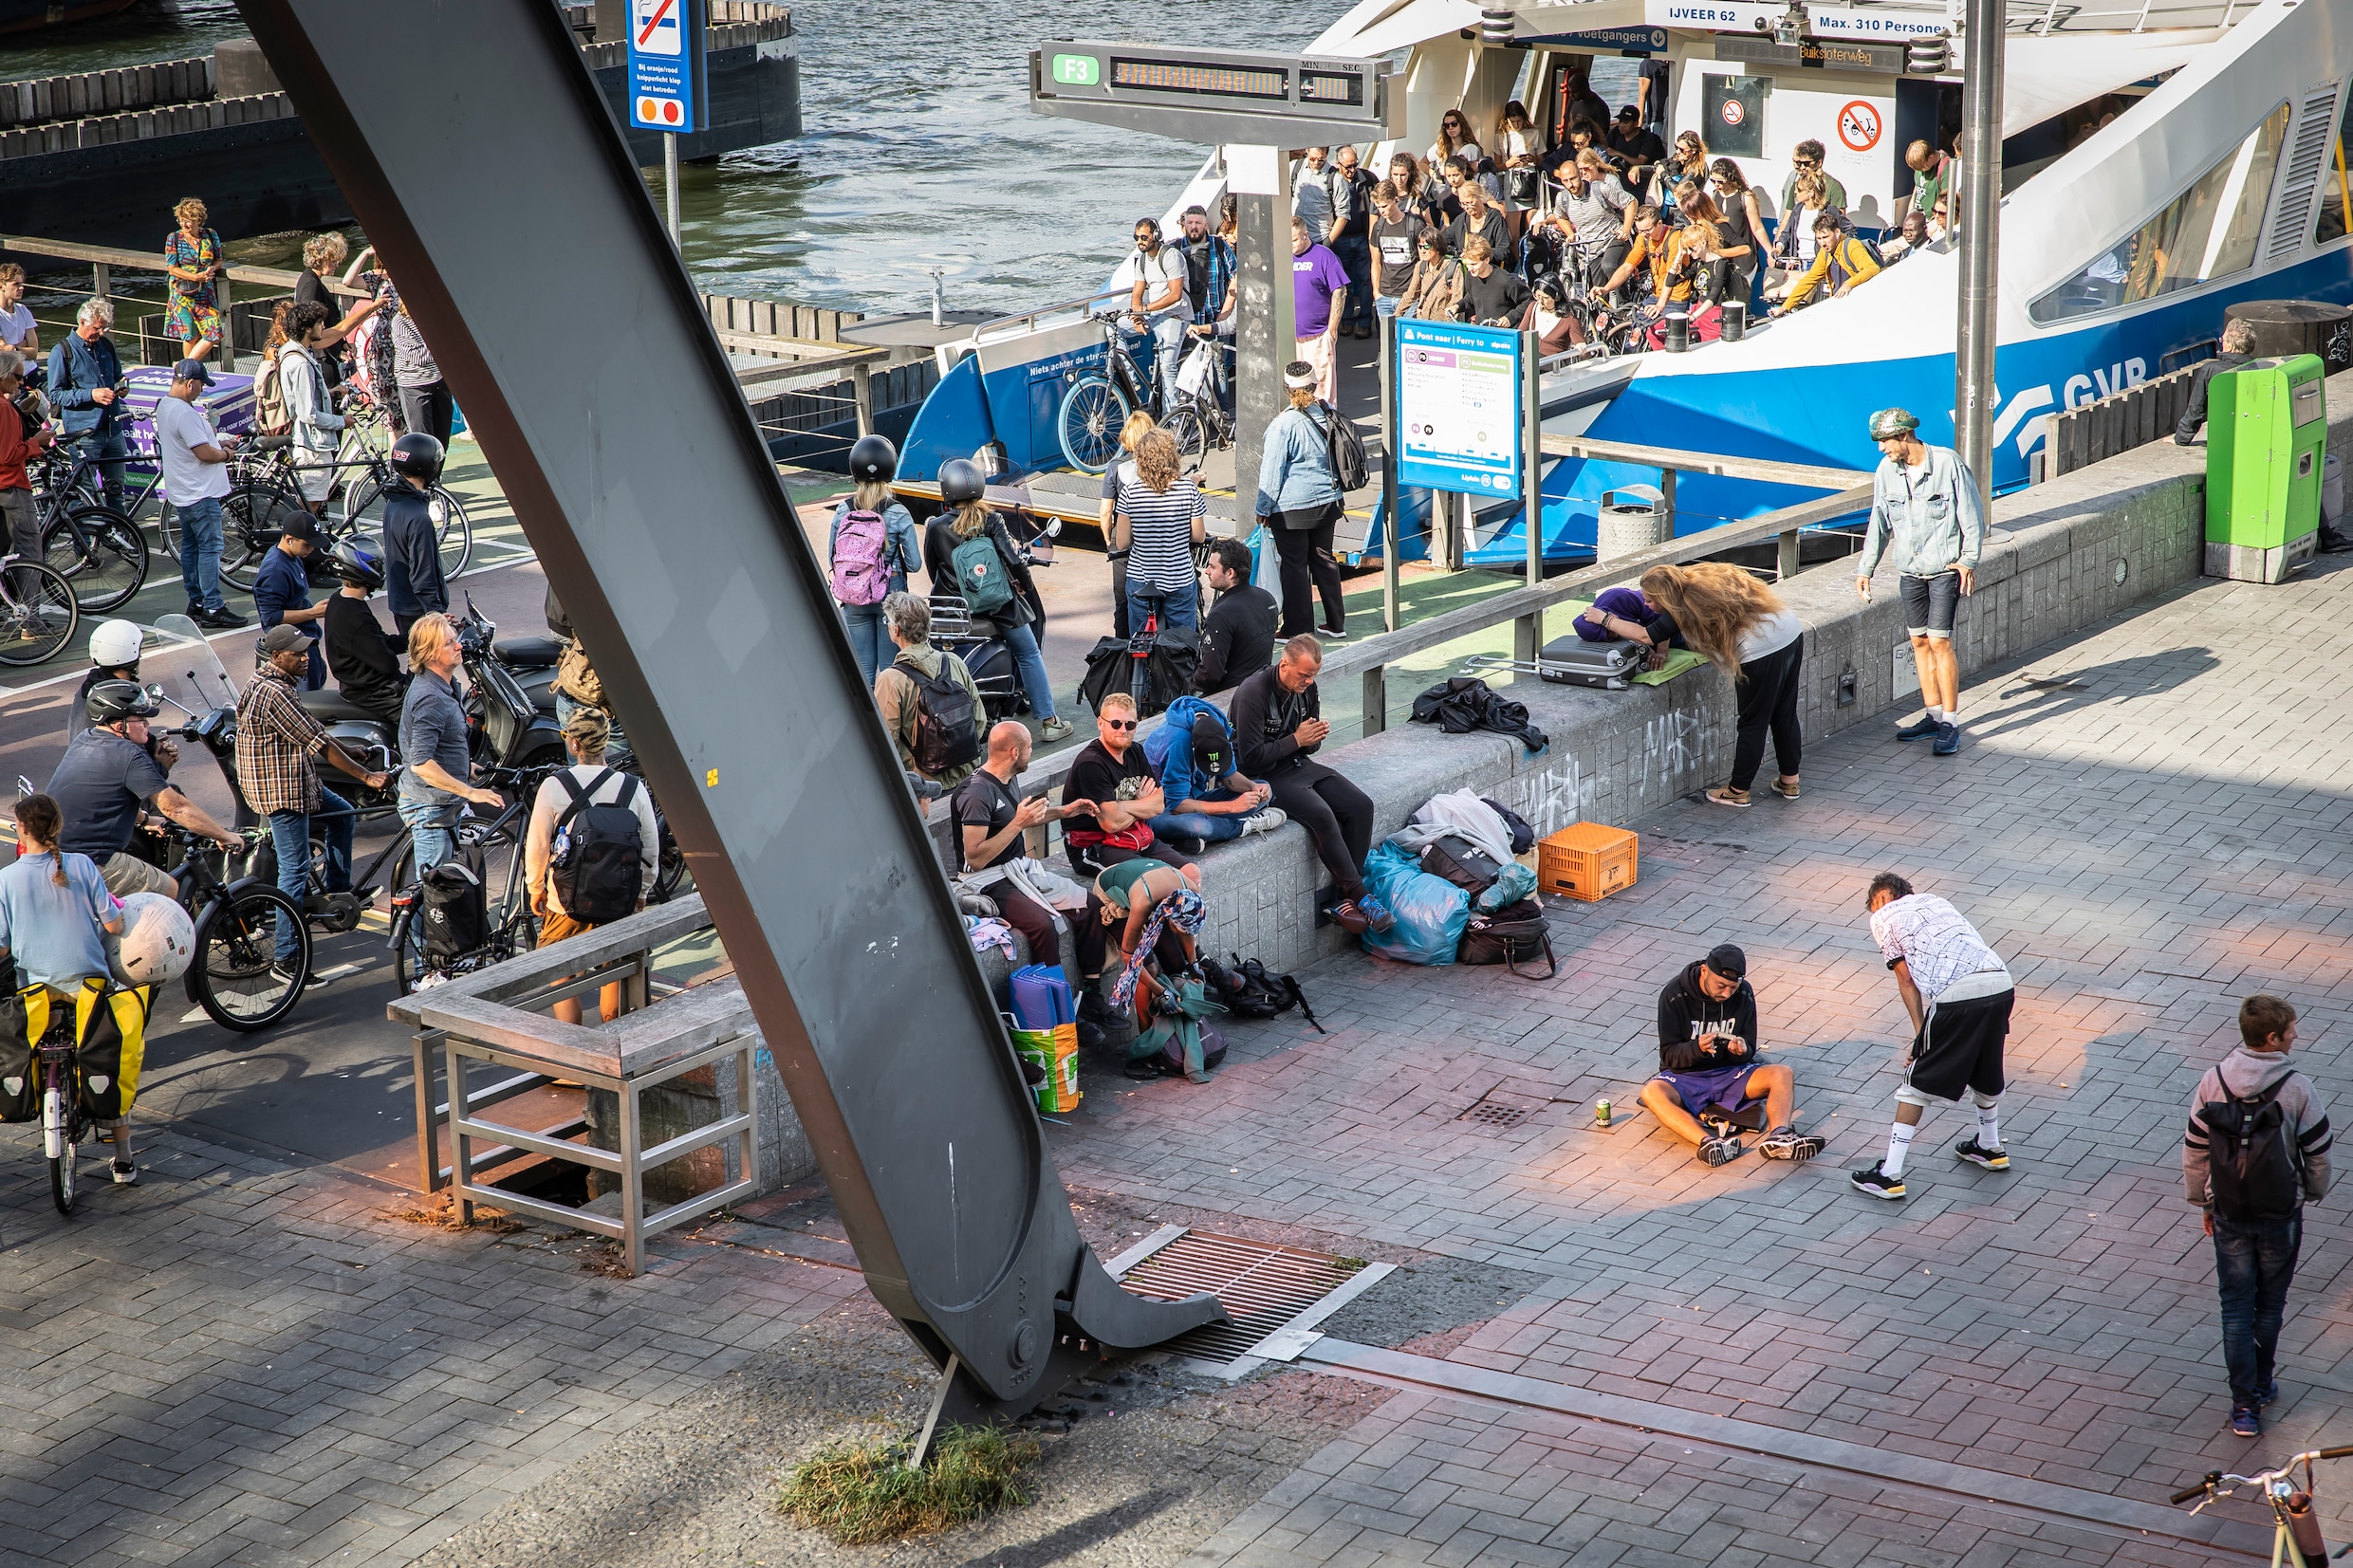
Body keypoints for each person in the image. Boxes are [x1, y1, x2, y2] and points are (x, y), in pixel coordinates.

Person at [2184, 995, 2334, 1439]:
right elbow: (2318, 1153)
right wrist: (2309, 1193)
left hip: (2229, 1211)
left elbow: (2195, 1149)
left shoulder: (2213, 1080)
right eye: (2291, 1030)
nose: (2295, 1035)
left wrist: (2204, 1202)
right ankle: (2263, 1383)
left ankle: (2244, 1406)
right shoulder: (2297, 1087)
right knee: (2269, 1304)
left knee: (2235, 1307)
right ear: (2272, 1038)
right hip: (2279, 1213)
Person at [1850, 873, 2016, 1201]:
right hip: (2000, 983)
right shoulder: (1937, 901)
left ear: (1881, 898)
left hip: (1958, 994)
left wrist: (1920, 1037)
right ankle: (1989, 1146)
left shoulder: (1883, 916)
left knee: (1916, 1084)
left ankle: (1889, 1174)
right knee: (1985, 1066)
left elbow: (1906, 980)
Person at [237, 624, 391, 975]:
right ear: (278, 656)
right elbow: (318, 744)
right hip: (283, 791)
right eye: (297, 654)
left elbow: (313, 730)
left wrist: (350, 750)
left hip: (298, 779)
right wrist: (366, 776)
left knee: (343, 814)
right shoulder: (275, 694)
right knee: (294, 870)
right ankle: (286, 957)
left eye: (306, 652)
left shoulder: (275, 683)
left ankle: (336, 893)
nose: (306, 658)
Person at [0, 794, 132, 1184]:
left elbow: (2, 948)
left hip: (37, 992)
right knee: (108, 1060)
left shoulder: (6, 880)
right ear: (57, 827)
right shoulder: (82, 865)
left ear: (22, 830)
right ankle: (124, 1159)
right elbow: (114, 925)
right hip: (88, 987)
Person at [1231, 636, 1388, 935]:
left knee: (1360, 805)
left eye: (1313, 675)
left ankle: (1344, 900)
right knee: (1322, 814)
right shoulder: (1253, 692)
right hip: (1262, 777)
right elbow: (1249, 759)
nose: (1309, 681)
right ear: (1284, 665)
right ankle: (1360, 896)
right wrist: (1296, 740)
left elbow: (1307, 748)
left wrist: (1313, 738)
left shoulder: (1307, 689)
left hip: (1296, 764)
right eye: (1304, 675)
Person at [1857, 407, 1986, 758]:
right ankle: (1932, 715)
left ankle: (1951, 723)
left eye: (1885, 441)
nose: (1881, 448)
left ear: (1904, 436)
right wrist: (1865, 569)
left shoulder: (1947, 463)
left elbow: (1972, 514)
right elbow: (1879, 523)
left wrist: (1968, 561)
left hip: (1945, 569)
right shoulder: (1886, 471)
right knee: (1918, 641)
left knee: (1940, 641)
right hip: (1910, 572)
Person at [524, 706, 658, 1024]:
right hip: (618, 899)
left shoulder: (555, 785)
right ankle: (611, 1036)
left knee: (561, 974)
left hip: (566, 902)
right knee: (614, 971)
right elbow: (651, 848)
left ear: (573, 743)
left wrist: (536, 887)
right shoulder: (632, 786)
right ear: (606, 742)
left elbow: (538, 844)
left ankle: (573, 1048)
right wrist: (642, 892)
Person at [1640, 945, 1827, 1166]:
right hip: (1686, 1076)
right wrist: (1696, 1048)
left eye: (1733, 987)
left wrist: (1742, 1051)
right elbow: (1669, 1055)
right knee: (1652, 1092)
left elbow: (1750, 1046)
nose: (1727, 994)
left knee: (1782, 1073)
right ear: (1704, 971)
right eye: (1721, 986)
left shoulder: (1744, 993)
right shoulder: (1674, 995)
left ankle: (1780, 1135)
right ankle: (1709, 1143)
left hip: (1731, 1072)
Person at [48, 680, 238, 898]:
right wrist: (224, 836)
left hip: (54, 854)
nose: (147, 723)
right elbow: (175, 808)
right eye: (140, 719)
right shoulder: (129, 754)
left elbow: (106, 797)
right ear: (120, 726)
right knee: (172, 890)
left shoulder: (85, 739)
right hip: (91, 859)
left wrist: (146, 820)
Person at [1640, 562, 1801, 808]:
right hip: (1788, 629)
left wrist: (1605, 619)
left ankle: (1738, 791)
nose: (1646, 605)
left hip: (1760, 650)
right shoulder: (1704, 577)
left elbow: (1645, 636)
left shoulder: (1685, 605)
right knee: (1784, 713)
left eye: (1650, 600)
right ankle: (1790, 782)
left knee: (1752, 722)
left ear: (1664, 596)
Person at [932, 457, 1071, 741]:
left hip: (956, 610)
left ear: (946, 490)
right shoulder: (992, 519)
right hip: (997, 605)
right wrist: (1024, 585)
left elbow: (933, 568)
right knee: (1028, 653)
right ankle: (1049, 721)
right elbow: (1013, 559)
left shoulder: (936, 527)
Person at [952, 719, 1103, 978]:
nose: (1032, 751)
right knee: (1042, 925)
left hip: (1018, 869)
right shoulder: (977, 793)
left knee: (1090, 906)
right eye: (1030, 747)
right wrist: (1017, 824)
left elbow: (1023, 818)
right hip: (987, 880)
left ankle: (1092, 991)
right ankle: (1052, 996)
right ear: (1015, 752)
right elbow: (974, 858)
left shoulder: (1008, 777)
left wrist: (1064, 811)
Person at [398, 612, 503, 875]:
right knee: (434, 889)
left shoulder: (445, 684)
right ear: (431, 653)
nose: (459, 646)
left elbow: (441, 743)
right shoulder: (430, 698)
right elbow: (421, 764)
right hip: (430, 807)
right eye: (449, 643)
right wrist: (471, 793)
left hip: (441, 802)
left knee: (442, 884)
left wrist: (465, 765)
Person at [1253, 361, 1348, 639]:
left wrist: (1262, 508)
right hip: (1328, 500)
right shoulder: (1327, 414)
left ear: (1287, 389)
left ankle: (1298, 628)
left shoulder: (1283, 425)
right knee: (1324, 560)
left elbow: (1272, 472)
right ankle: (1336, 623)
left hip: (1292, 508)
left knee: (1294, 566)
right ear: (1314, 386)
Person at [152, 357, 248, 629]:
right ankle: (213, 607)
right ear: (190, 384)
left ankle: (197, 602)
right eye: (201, 385)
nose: (202, 390)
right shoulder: (185, 413)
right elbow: (204, 454)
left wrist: (216, 443)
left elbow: (193, 445)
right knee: (210, 549)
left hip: (183, 492)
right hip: (201, 492)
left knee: (192, 548)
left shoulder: (165, 406)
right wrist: (226, 454)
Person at [1059, 692, 1193, 879]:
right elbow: (1111, 823)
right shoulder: (1090, 763)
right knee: (1155, 879)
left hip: (1134, 835)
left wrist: (1121, 806)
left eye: (1130, 725)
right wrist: (1140, 803)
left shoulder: (1135, 751)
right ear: (1100, 724)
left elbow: (1158, 804)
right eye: (1116, 724)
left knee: (1191, 872)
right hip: (1094, 847)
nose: (1123, 730)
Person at [829, 434, 923, 689]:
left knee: (863, 671)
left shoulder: (843, 510)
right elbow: (914, 564)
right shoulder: (898, 512)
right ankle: (888, 714)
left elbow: (832, 558)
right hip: (889, 596)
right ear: (890, 470)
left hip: (853, 595)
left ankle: (865, 713)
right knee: (890, 671)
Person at [873, 591, 986, 798]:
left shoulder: (891, 679)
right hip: (969, 777)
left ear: (896, 629)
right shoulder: (952, 661)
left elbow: (886, 743)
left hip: (926, 787)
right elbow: (979, 719)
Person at [1146, 704, 1282, 852]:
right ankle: (1244, 826)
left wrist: (1253, 788)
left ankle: (1189, 836)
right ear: (1193, 746)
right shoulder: (1177, 742)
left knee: (1261, 790)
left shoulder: (1220, 728)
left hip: (1196, 799)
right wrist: (1231, 807)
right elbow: (1177, 805)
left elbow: (1229, 776)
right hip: (1162, 807)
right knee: (1196, 825)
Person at [1113, 429, 1206, 636]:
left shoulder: (1130, 493)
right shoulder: (1189, 490)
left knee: (1140, 639)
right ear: (1172, 456)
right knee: (1182, 642)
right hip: (1180, 578)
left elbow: (1122, 543)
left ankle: (1141, 655)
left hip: (1141, 579)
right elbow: (1199, 537)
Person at [46, 299, 124, 515]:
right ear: (82, 322)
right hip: (84, 434)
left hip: (113, 429)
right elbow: (56, 394)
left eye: (105, 328)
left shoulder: (106, 346)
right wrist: (91, 394)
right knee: (84, 493)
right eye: (97, 328)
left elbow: (118, 375)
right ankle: (82, 534)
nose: (101, 333)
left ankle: (121, 532)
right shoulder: (62, 351)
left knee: (116, 490)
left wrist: (121, 386)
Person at [321, 539, 406, 732]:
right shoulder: (356, 617)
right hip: (373, 693)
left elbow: (379, 641)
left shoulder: (340, 600)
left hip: (357, 686)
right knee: (423, 718)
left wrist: (421, 636)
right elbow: (388, 665)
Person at [1111, 217, 1189, 415]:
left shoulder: (1171, 256)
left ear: (1156, 235)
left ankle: (1173, 422)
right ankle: (1133, 381)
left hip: (1175, 316)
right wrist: (1137, 316)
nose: (1140, 241)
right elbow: (1136, 294)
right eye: (1136, 237)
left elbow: (1175, 294)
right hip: (1153, 315)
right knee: (1113, 328)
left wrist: (1145, 309)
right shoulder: (1142, 260)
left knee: (1168, 368)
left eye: (1144, 237)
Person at [277, 301, 345, 513]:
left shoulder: (289, 352)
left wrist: (328, 393)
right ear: (307, 328)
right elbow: (308, 414)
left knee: (308, 501)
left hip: (302, 439)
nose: (323, 327)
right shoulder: (302, 364)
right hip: (310, 444)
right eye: (319, 323)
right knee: (311, 503)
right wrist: (341, 421)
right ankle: (299, 534)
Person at [380, 433, 451, 638]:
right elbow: (423, 575)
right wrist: (437, 614)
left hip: (401, 604)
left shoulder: (394, 502)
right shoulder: (419, 518)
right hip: (419, 611)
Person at [1096, 410, 1158, 640]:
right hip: (1152, 538)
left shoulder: (1115, 468)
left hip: (1123, 541)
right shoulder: (1160, 467)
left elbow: (1105, 511)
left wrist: (1107, 539)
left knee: (1123, 600)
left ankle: (1123, 647)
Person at [251, 510, 328, 690]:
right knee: (307, 700)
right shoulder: (275, 571)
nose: (311, 549)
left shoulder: (292, 555)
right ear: (289, 539)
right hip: (292, 650)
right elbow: (271, 617)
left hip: (304, 639)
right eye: (307, 544)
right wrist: (313, 613)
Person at [1195, 535, 1278, 694]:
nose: (1207, 571)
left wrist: (1192, 680)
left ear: (1230, 573)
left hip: (1231, 694)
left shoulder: (1221, 614)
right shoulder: (1267, 598)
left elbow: (1210, 674)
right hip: (1261, 686)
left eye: (1212, 567)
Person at [0, 350, 51, 581]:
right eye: (18, 377)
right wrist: (35, 443)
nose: (21, 382)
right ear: (4, 375)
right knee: (29, 551)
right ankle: (29, 605)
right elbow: (7, 455)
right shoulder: (4, 408)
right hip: (11, 486)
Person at [1549, 152, 1635, 290]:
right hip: (1591, 249)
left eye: (1573, 179)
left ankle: (1624, 300)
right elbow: (1560, 216)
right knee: (1596, 287)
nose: (1571, 184)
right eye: (1566, 181)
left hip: (1612, 238)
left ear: (1580, 175)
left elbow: (1630, 201)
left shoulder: (1599, 188)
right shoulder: (1562, 198)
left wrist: (1626, 229)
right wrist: (1570, 233)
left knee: (1609, 266)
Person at [66, 618, 151, 755]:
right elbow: (134, 748)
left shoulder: (90, 687)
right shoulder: (117, 699)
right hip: (105, 763)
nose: (140, 655)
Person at [1290, 216, 1351, 405]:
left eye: (1294, 240)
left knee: (1322, 392)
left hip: (1318, 336)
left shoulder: (1324, 256)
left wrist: (1331, 330)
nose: (1290, 245)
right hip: (1291, 337)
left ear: (1305, 235)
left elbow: (1340, 291)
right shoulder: (1283, 256)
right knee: (1295, 391)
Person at [1767, 215, 1880, 316]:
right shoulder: (1825, 252)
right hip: (1841, 304)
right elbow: (1809, 280)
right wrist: (1785, 307)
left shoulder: (1852, 245)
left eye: (1825, 237)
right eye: (1819, 239)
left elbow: (1872, 268)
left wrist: (1849, 284)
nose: (1822, 243)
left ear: (1837, 232)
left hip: (1861, 305)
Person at [1601, 207, 1695, 320]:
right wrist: (1605, 289)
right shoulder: (1643, 238)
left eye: (1647, 230)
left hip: (1675, 298)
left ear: (1659, 224)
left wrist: (1659, 306)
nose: (1644, 234)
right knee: (1636, 323)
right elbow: (1627, 267)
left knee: (1655, 326)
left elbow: (1671, 275)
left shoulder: (1674, 237)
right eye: (1639, 230)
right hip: (1655, 296)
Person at [162, 196, 226, 363]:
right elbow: (172, 268)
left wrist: (212, 268)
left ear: (198, 219)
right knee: (189, 336)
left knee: (214, 333)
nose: (184, 224)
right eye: (181, 220)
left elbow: (219, 259)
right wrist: (196, 277)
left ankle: (184, 366)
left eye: (188, 221)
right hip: (182, 294)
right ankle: (189, 371)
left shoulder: (210, 235)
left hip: (205, 293)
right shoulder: (173, 238)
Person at [2176, 319, 2259, 444]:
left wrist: (2181, 439)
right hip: (2253, 434)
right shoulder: (2260, 368)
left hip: (2223, 436)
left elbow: (2196, 410)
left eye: (2223, 340)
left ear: (2230, 346)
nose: (2222, 343)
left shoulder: (2211, 370)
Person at [390, 298, 453, 449]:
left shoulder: (434, 317)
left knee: (442, 443)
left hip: (439, 381)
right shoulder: (400, 322)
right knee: (423, 442)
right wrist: (443, 344)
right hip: (414, 385)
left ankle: (438, 466)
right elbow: (418, 357)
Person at [1367, 180, 1426, 324]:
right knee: (1386, 337)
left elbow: (1424, 262)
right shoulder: (1378, 227)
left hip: (1409, 295)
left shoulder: (1415, 225)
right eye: (1378, 207)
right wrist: (1376, 292)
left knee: (1407, 337)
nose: (1381, 211)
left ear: (1396, 200)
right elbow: (1376, 262)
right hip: (1384, 295)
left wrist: (1420, 294)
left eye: (1385, 206)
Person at [1494, 101, 1545, 241]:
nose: (1517, 125)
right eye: (1513, 122)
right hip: (1511, 181)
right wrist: (1509, 164)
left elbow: (1542, 160)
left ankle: (1529, 251)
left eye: (1519, 121)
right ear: (1507, 120)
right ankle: (1517, 254)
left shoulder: (1534, 133)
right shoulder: (1501, 136)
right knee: (1513, 235)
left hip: (1530, 180)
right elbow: (1496, 166)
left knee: (1532, 230)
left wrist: (1532, 159)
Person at [1441, 180, 1510, 280]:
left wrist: (1478, 254)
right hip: (1465, 275)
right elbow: (1442, 240)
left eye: (1469, 203)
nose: (1466, 207)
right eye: (1462, 204)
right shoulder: (1461, 219)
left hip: (1490, 275)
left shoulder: (1495, 219)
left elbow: (1504, 251)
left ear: (1480, 198)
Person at [1455, 237, 1531, 327]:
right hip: (1481, 330)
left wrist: (1509, 318)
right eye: (1467, 264)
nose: (1470, 268)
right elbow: (1472, 297)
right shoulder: (1470, 276)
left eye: (1474, 264)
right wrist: (1458, 306)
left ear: (1487, 260)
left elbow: (1528, 301)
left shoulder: (1505, 280)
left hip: (1503, 332)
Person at [1397, 230, 1464, 323]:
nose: (1423, 251)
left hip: (1444, 325)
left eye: (1427, 246)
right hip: (1424, 322)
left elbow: (1457, 298)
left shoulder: (1453, 267)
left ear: (1437, 246)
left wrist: (1447, 323)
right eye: (1420, 246)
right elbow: (1411, 295)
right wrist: (1396, 315)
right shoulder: (1420, 266)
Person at [1776, 140, 1847, 221]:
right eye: (1798, 163)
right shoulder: (1797, 183)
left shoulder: (1834, 187)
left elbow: (1840, 223)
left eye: (1806, 163)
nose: (1802, 167)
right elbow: (1786, 220)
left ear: (1819, 163)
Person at [1609, 106, 1667, 182]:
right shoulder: (1616, 132)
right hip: (1619, 173)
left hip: (1640, 178)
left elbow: (1640, 162)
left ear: (1636, 124)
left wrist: (1619, 154)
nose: (1621, 125)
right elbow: (1605, 147)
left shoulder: (1647, 138)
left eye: (1626, 123)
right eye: (1620, 121)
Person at [1428, 109, 1481, 181]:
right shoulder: (1440, 146)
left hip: (1466, 185)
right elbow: (1422, 163)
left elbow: (1478, 169)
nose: (1450, 128)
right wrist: (1434, 175)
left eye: (1454, 124)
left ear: (1461, 124)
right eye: (1446, 125)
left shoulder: (1471, 148)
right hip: (1444, 186)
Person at [0, 265, 36, 357]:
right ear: (1, 286)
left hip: (29, 365)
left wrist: (13, 348)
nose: (21, 288)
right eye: (16, 284)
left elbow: (34, 352)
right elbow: (3, 353)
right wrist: (23, 344)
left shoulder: (23, 310)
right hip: (9, 366)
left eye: (21, 284)